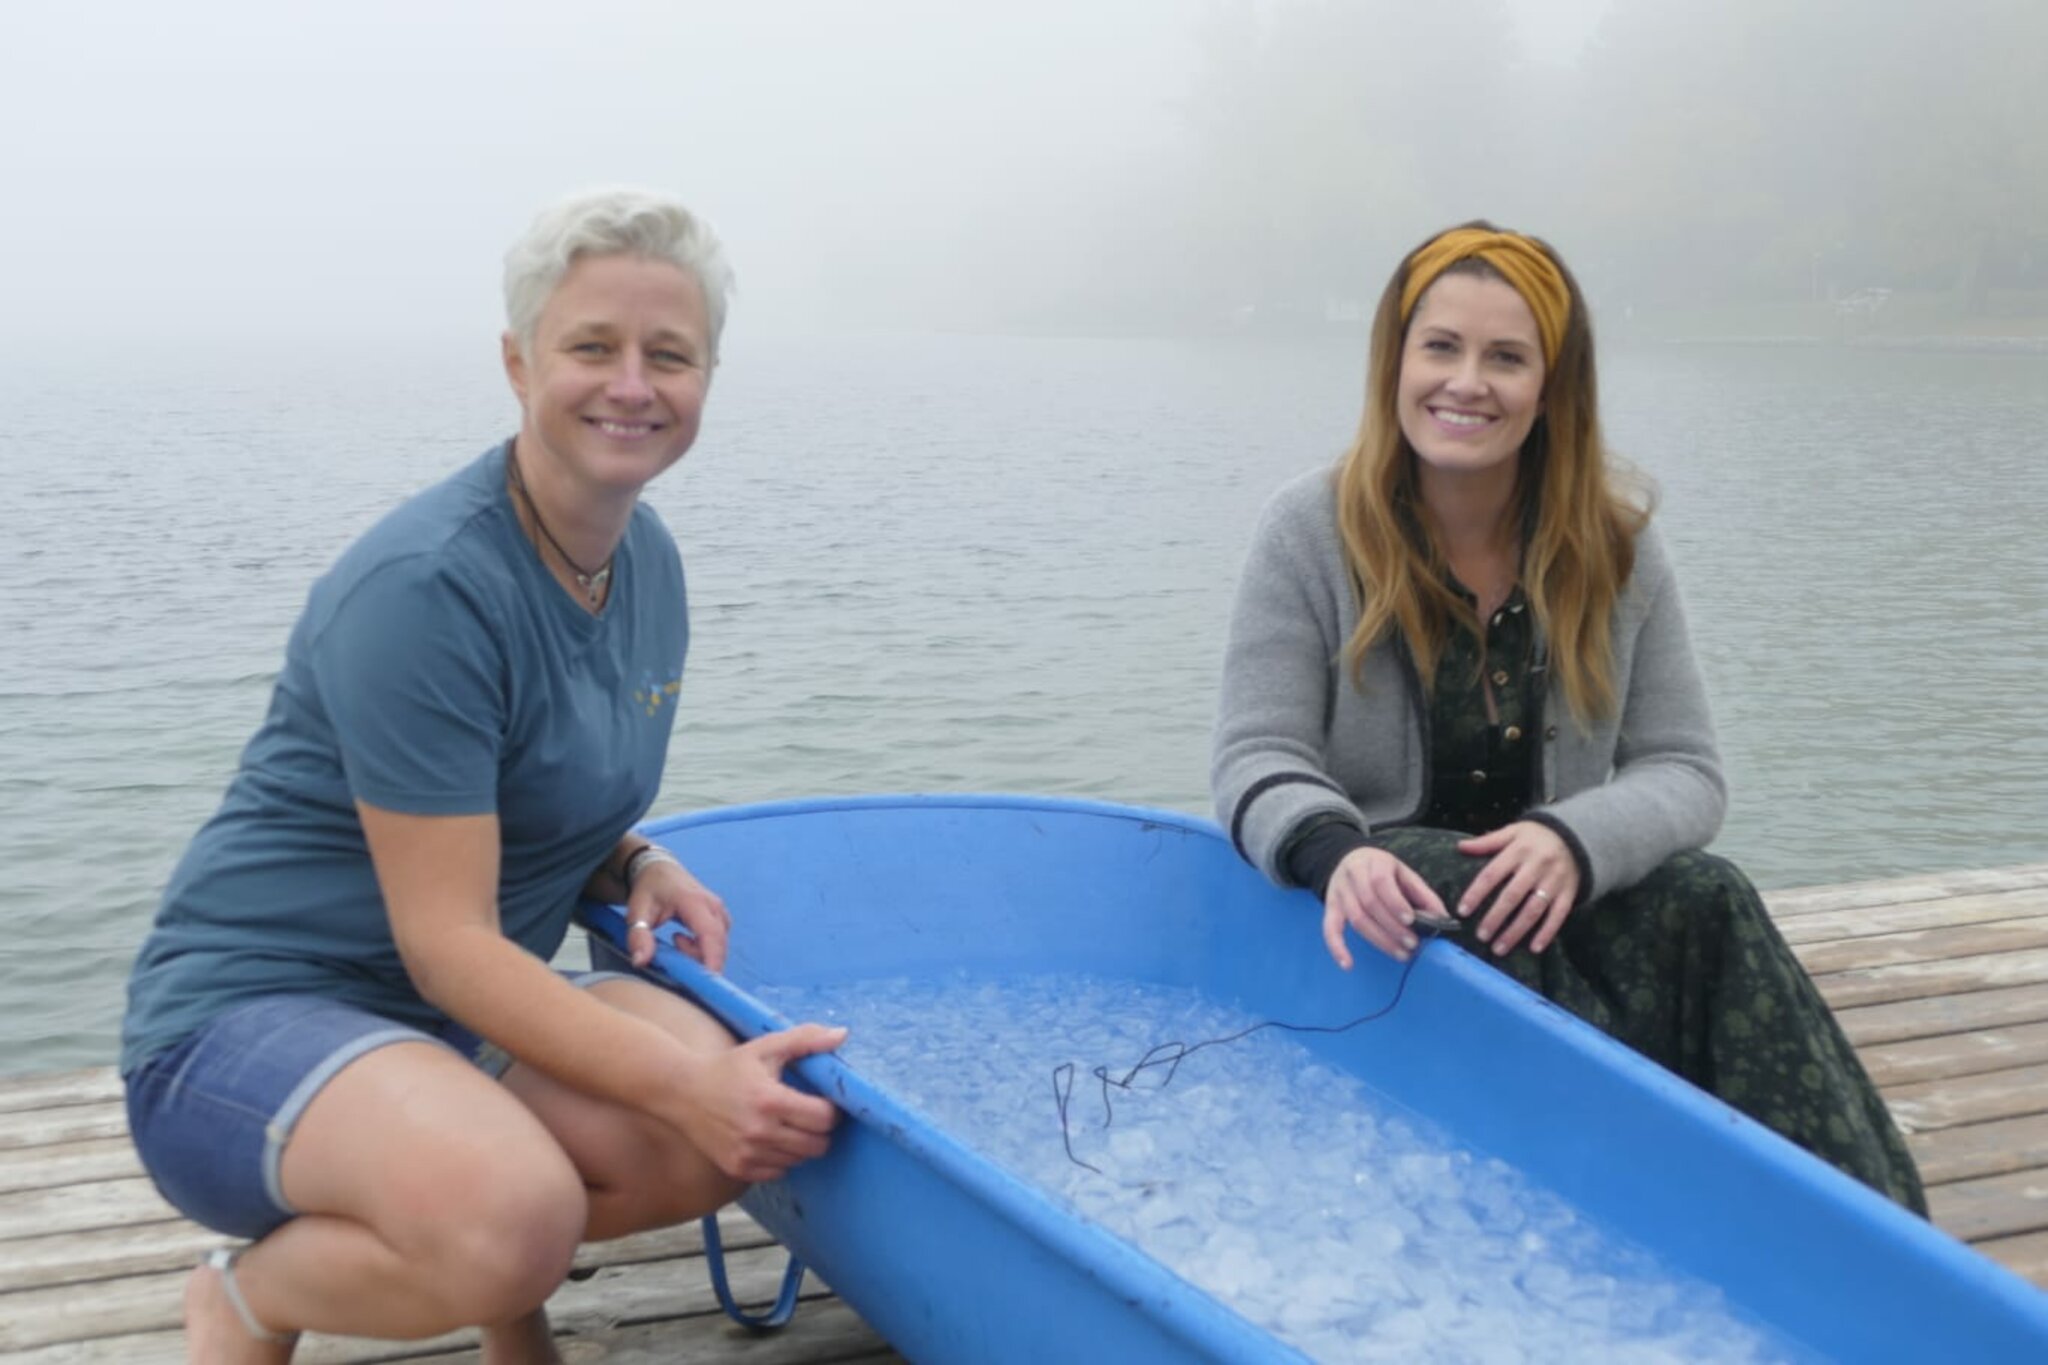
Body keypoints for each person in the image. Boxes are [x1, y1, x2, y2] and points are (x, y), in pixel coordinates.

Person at [120, 188, 847, 1364]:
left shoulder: (641, 560)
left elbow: (528, 781)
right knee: (529, 1200)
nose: (631, 384)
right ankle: (249, 1299)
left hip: (444, 1024)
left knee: (700, 1139)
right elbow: (447, 943)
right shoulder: (427, 588)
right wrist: (677, 1082)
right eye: (591, 347)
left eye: (668, 354)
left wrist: (634, 857)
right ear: (517, 363)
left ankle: (485, 1265)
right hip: (246, 1027)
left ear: (707, 376)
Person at [1210, 221, 1926, 1214]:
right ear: (1393, 362)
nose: (1467, 382)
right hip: (1371, 924)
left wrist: (1571, 839)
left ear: (1551, 388)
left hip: (1549, 904)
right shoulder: (1307, 529)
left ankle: (1869, 1229)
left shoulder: (1613, 547)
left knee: (1706, 897)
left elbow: (1684, 770)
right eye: (1440, 347)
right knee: (1443, 874)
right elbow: (1255, 754)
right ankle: (1637, 1183)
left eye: (1505, 357)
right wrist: (1335, 852)